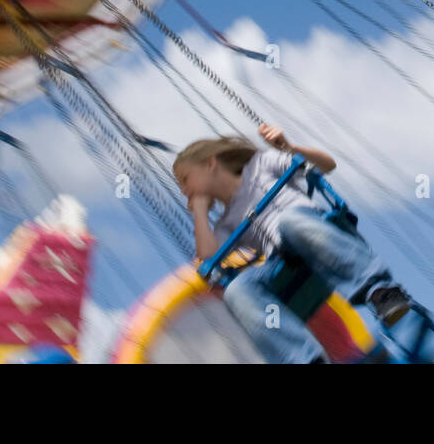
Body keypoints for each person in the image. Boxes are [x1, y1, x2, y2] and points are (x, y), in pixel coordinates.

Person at [174, 123, 412, 363]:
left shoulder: (262, 164)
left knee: (289, 222)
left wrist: (289, 147)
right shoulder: (225, 223)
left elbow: (327, 165)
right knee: (236, 290)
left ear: (210, 164)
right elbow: (208, 258)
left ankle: (380, 292)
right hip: (286, 263)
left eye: (186, 179)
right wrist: (200, 213)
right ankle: (301, 359)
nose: (184, 190)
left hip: (316, 233)